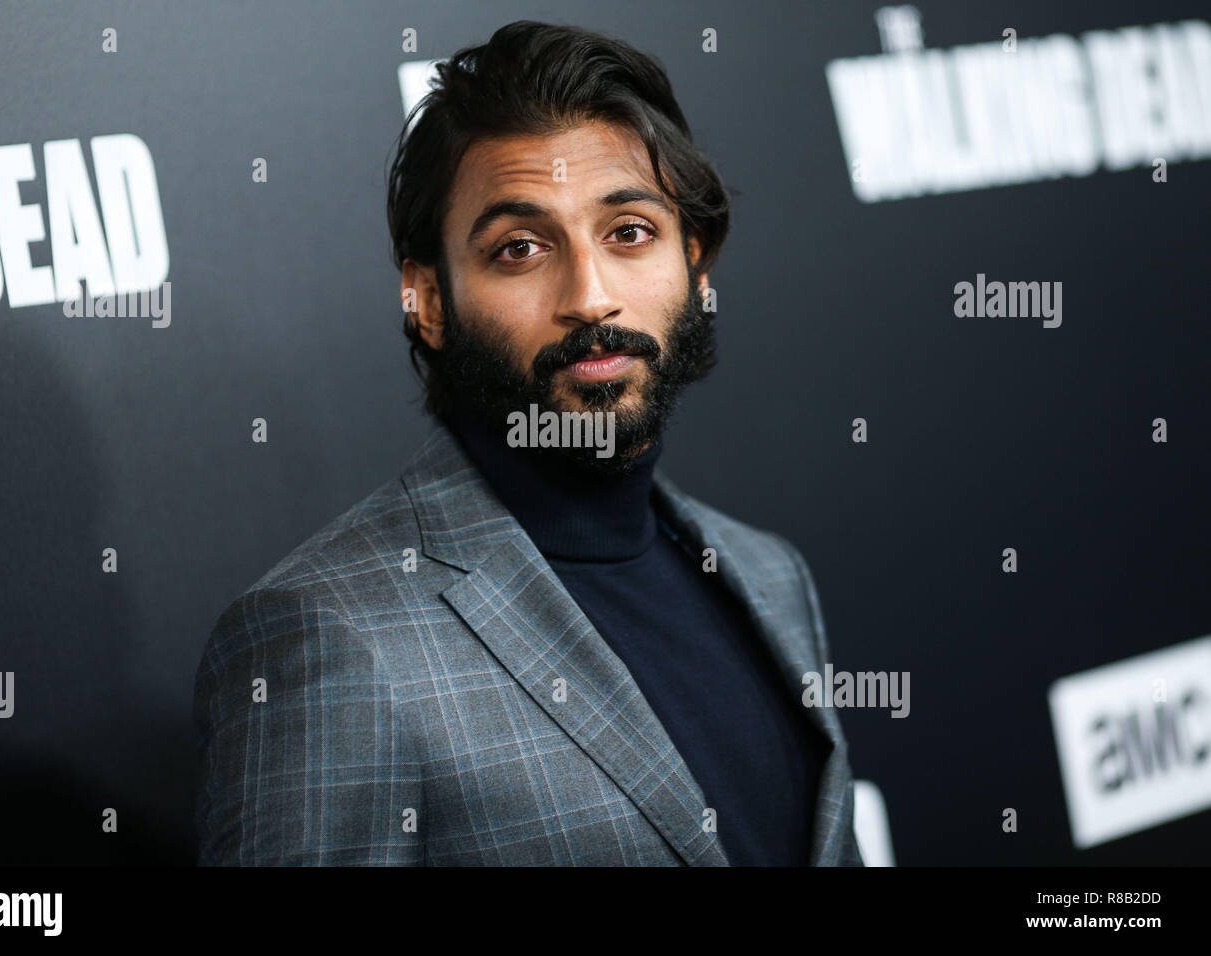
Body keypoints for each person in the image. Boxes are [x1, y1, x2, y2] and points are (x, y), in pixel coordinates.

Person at [194, 19, 862, 866]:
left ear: (695, 265)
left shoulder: (769, 575)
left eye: (629, 232)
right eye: (520, 248)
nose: (590, 296)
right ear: (429, 302)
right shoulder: (332, 636)